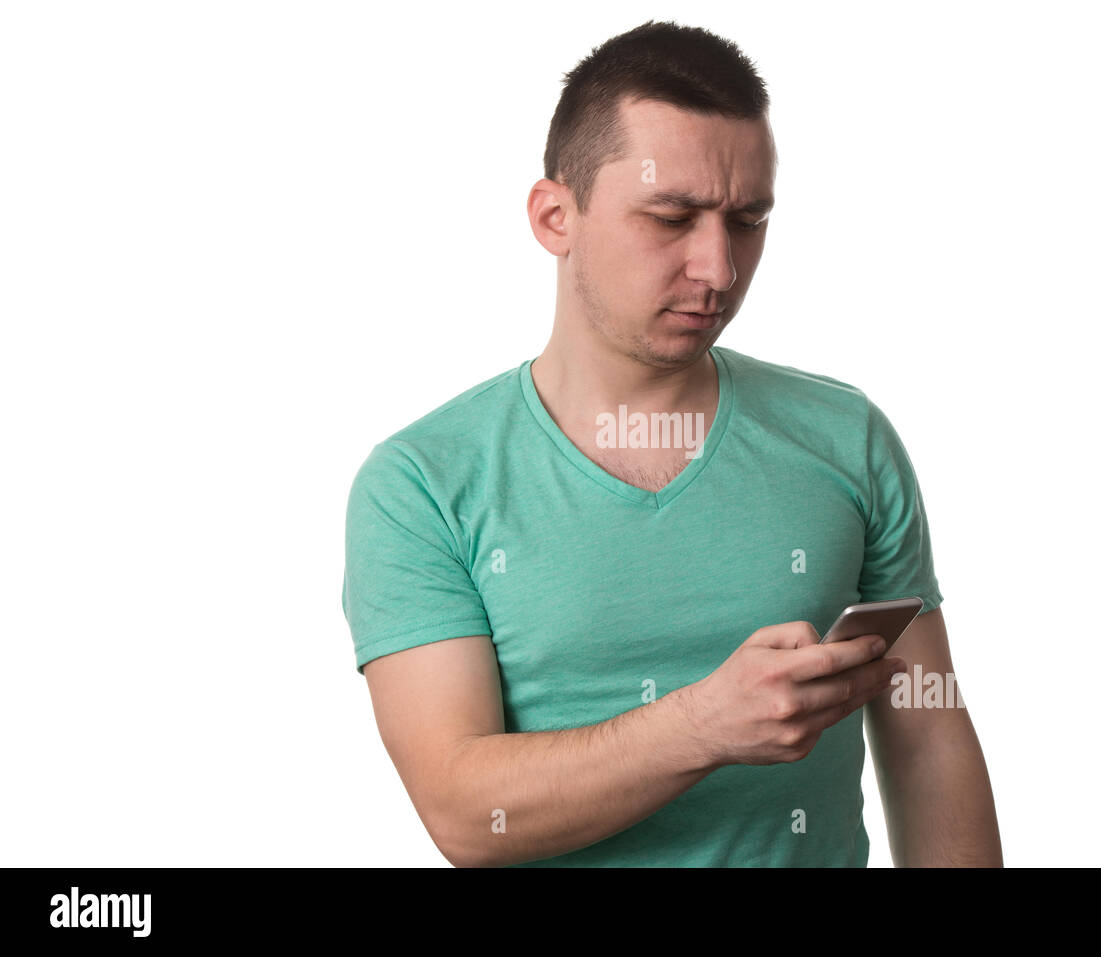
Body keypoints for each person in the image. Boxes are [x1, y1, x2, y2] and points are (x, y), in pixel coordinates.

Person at [342, 19, 1001, 867]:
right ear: (554, 216)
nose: (719, 268)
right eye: (672, 216)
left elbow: (929, 741)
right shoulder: (422, 484)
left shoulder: (847, 438)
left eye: (748, 220)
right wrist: (703, 724)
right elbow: (467, 812)